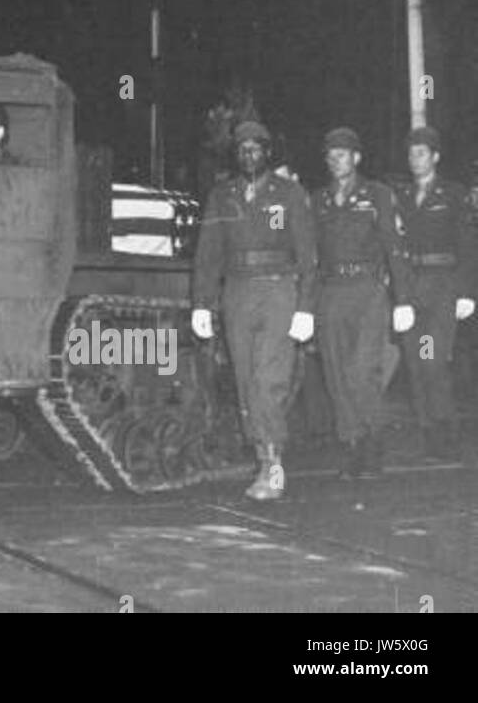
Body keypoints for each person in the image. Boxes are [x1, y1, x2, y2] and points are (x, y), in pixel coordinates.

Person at [191, 120, 317, 500]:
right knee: (246, 380)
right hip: (237, 293)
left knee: (268, 379)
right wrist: (202, 302)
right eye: (242, 149)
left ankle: (273, 463)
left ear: (268, 152)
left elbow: (308, 254)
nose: (249, 155)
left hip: (279, 290)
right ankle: (262, 455)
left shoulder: (290, 193)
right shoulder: (221, 195)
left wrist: (305, 307)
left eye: (256, 148)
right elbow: (209, 253)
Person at [311, 127, 414, 479]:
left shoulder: (378, 194)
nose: (334, 160)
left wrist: (403, 300)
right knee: (337, 372)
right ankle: (352, 443)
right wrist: (307, 305)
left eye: (341, 154)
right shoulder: (319, 200)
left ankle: (373, 440)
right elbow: (311, 255)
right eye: (330, 155)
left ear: (356, 158)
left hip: (368, 290)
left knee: (363, 370)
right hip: (331, 291)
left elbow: (394, 245)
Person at [390, 127, 476, 462]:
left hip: (442, 285)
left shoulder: (453, 194)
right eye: (411, 153)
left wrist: (467, 291)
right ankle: (428, 431)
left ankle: (445, 428)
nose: (415, 159)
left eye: (422, 153)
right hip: (413, 286)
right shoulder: (403, 196)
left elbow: (468, 245)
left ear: (436, 156)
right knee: (416, 360)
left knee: (434, 360)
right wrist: (399, 293)